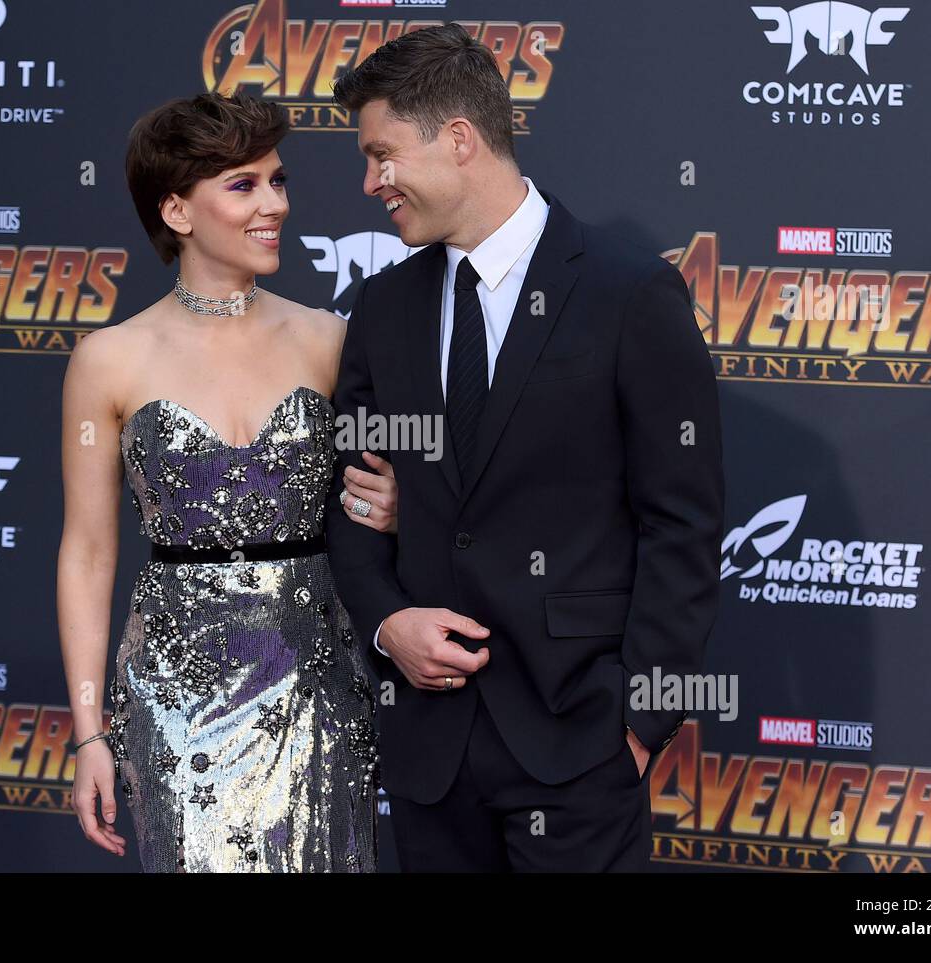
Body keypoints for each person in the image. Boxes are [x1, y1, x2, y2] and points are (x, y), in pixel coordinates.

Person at [324, 23, 725, 872]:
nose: (370, 182)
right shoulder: (385, 308)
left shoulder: (627, 289)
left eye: (382, 155)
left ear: (460, 140)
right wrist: (388, 620)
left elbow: (682, 521)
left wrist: (639, 725)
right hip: (432, 754)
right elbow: (354, 495)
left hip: (579, 743)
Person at [56, 92, 398, 872]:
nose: (274, 204)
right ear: (176, 210)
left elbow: (386, 495)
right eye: (243, 186)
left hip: (320, 684)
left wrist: (396, 507)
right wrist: (89, 733)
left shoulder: (330, 338)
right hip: (179, 700)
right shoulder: (110, 359)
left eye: (277, 181)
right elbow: (86, 553)